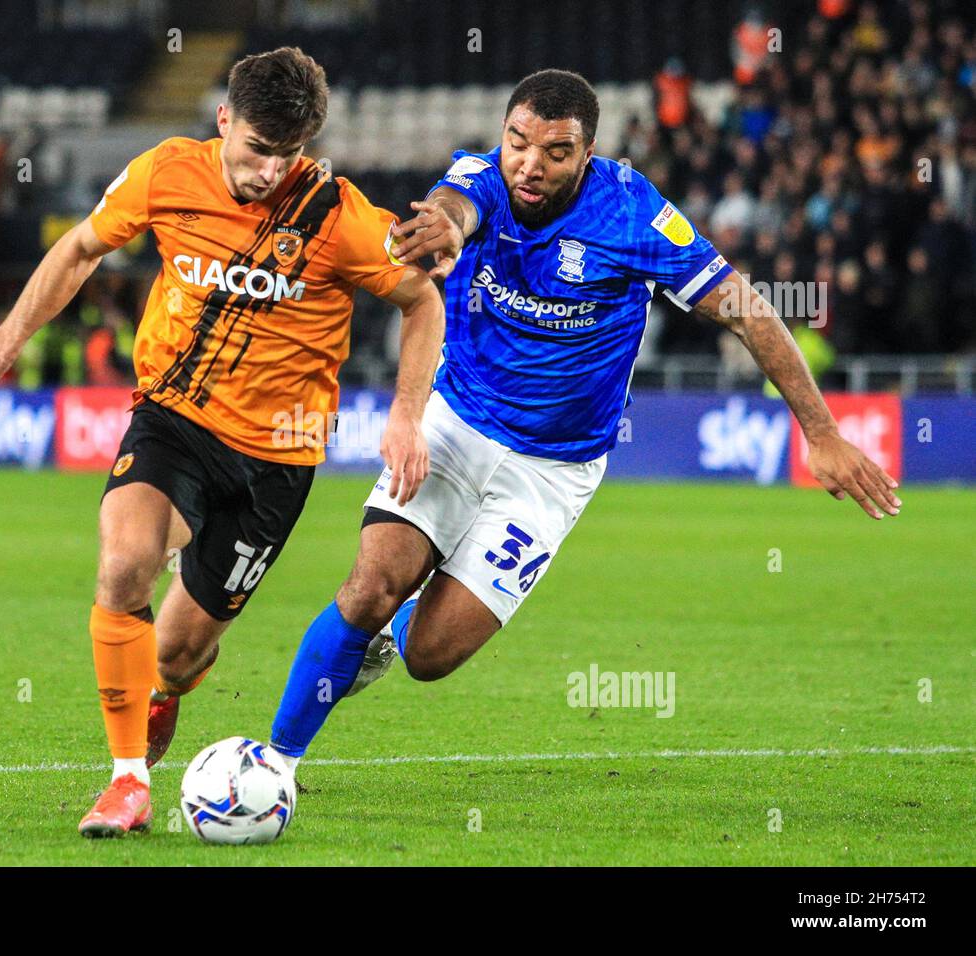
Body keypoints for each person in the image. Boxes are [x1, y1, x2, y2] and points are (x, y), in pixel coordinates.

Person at [264, 69, 902, 779]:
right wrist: (444, 225)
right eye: (517, 142)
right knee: (371, 583)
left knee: (431, 656)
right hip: (458, 422)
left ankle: (396, 630)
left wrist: (821, 432)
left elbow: (746, 309)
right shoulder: (480, 179)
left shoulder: (634, 215)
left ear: (588, 152)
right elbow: (454, 205)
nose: (530, 165)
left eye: (555, 152)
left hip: (555, 469)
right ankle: (274, 766)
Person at [0, 47, 445, 837]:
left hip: (277, 459)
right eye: (257, 149)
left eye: (287, 155)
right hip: (173, 417)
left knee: (179, 654)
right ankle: (128, 784)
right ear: (223, 119)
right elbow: (81, 248)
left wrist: (404, 412)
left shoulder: (338, 218)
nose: (270, 171)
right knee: (125, 560)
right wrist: (3, 346)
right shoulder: (166, 172)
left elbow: (421, 299)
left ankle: (163, 691)